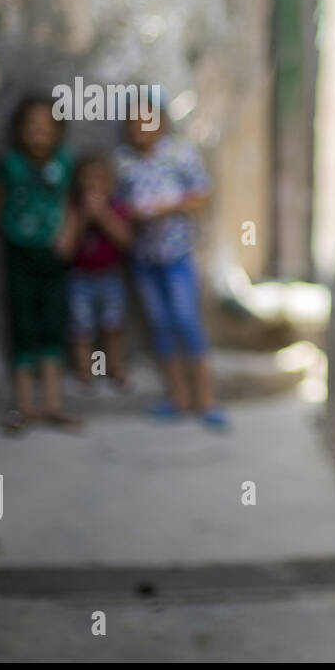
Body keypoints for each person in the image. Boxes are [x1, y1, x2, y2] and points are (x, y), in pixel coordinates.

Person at [113, 95, 228, 429]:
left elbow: (202, 195)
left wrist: (168, 206)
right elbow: (118, 202)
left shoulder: (180, 153)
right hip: (143, 257)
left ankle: (207, 400)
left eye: (147, 119)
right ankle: (177, 397)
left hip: (177, 255)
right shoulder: (124, 162)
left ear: (162, 121)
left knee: (186, 321)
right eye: (133, 122)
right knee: (160, 324)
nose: (141, 128)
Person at [0, 96, 81, 433]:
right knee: (23, 324)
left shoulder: (64, 164)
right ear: (19, 131)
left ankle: (52, 404)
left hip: (53, 257)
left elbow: (71, 205)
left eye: (46, 128)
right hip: (19, 253)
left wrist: (70, 234)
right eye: (31, 127)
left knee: (53, 324)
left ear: (57, 132)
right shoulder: (10, 165)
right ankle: (23, 406)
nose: (39, 134)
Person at [55, 154, 133, 391]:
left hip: (110, 276)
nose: (92, 184)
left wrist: (103, 216)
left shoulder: (117, 207)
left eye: (99, 178)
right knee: (81, 327)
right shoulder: (72, 209)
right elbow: (64, 250)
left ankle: (115, 368)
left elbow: (126, 241)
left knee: (113, 324)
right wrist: (82, 219)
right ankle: (86, 372)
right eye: (87, 178)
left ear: (110, 183)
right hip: (80, 279)